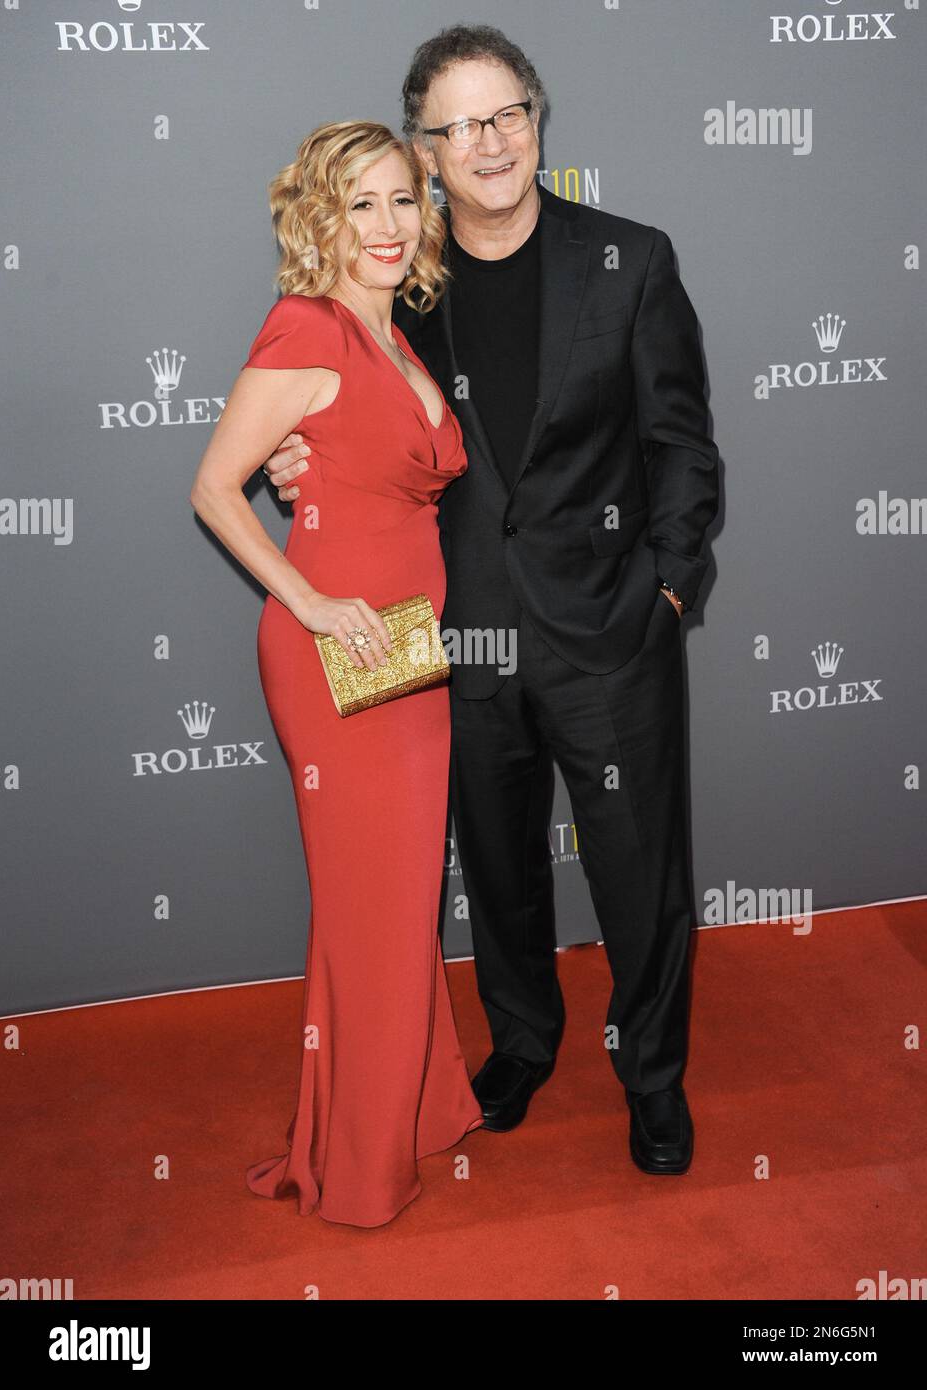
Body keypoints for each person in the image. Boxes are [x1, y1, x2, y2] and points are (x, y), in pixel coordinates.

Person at [264, 25, 720, 1176]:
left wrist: (667, 590)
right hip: (457, 641)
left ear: (537, 118)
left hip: (609, 634)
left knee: (639, 873)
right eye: (457, 126)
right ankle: (521, 1043)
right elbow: (337, 424)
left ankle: (652, 1077)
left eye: (505, 113)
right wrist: (293, 465)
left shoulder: (629, 260)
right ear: (424, 152)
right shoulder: (395, 287)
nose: (488, 142)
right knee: (499, 868)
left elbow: (681, 446)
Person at [189, 120, 482, 1228]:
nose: (388, 225)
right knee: (376, 902)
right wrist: (308, 601)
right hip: (335, 652)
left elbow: (347, 462)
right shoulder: (305, 324)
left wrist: (300, 465)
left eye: (404, 199)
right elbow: (214, 487)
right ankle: (360, 1166)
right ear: (322, 215)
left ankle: (416, 1105)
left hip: (407, 653)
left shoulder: (396, 333)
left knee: (389, 900)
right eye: (360, 203)